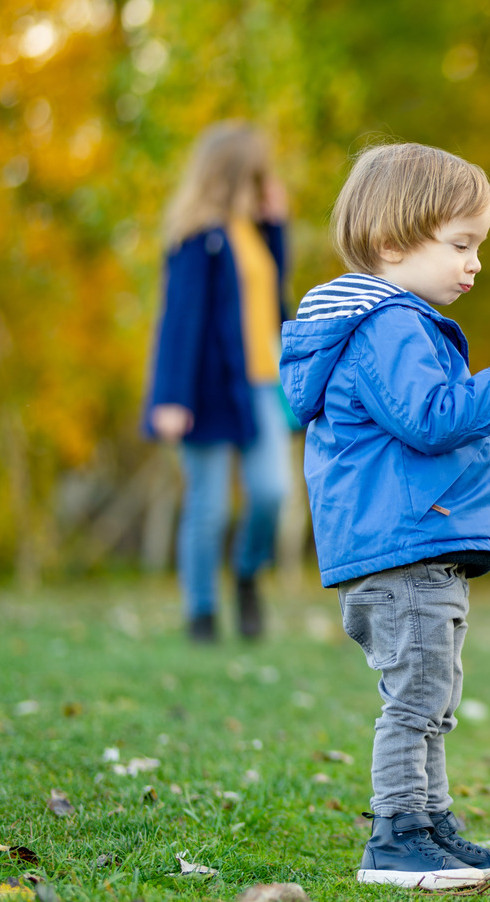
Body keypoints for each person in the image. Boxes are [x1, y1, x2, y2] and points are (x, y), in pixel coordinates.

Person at [279, 142, 490, 889]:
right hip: (401, 551)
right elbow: (429, 418)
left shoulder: (396, 323)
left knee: (432, 698)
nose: (474, 263)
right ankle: (395, 837)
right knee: (415, 699)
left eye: (477, 245)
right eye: (460, 245)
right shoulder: (389, 328)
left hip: (414, 547)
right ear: (391, 244)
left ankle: (431, 825)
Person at [144, 121, 292, 644]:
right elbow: (178, 322)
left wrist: (277, 227)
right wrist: (170, 398)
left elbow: (274, 305)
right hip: (205, 391)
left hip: (261, 386)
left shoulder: (255, 234)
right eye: (258, 174)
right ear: (236, 173)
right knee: (206, 506)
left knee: (272, 492)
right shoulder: (197, 238)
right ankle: (201, 615)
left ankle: (247, 574)